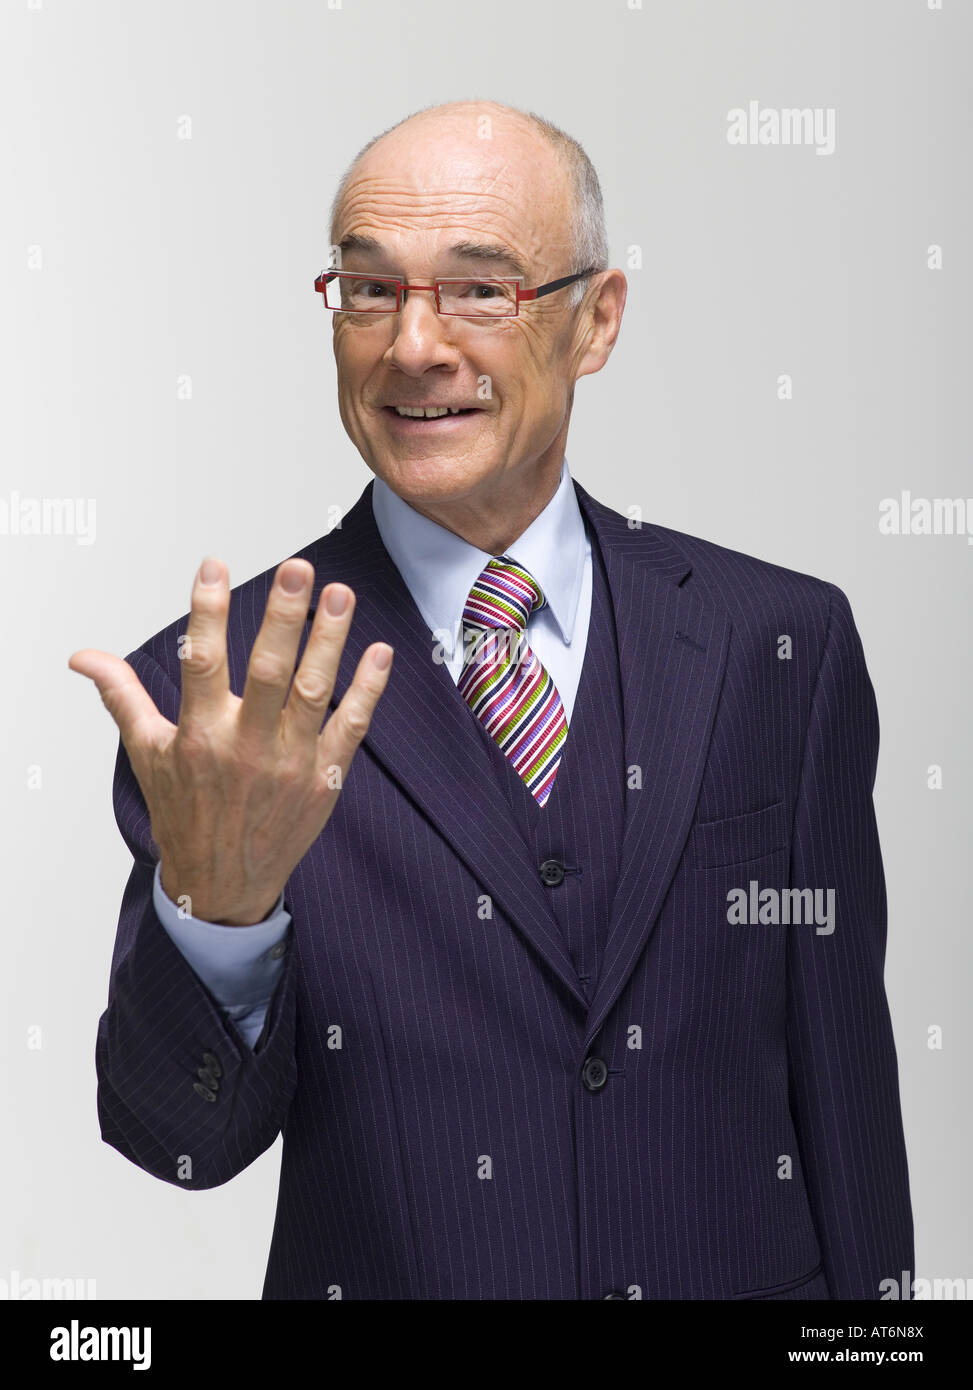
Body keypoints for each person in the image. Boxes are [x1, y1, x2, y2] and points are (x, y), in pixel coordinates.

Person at [71, 99, 914, 1301]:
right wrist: (219, 912)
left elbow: (844, 1087)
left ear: (597, 320)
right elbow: (178, 1141)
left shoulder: (776, 642)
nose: (413, 344)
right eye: (369, 290)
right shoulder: (216, 691)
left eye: (482, 290)